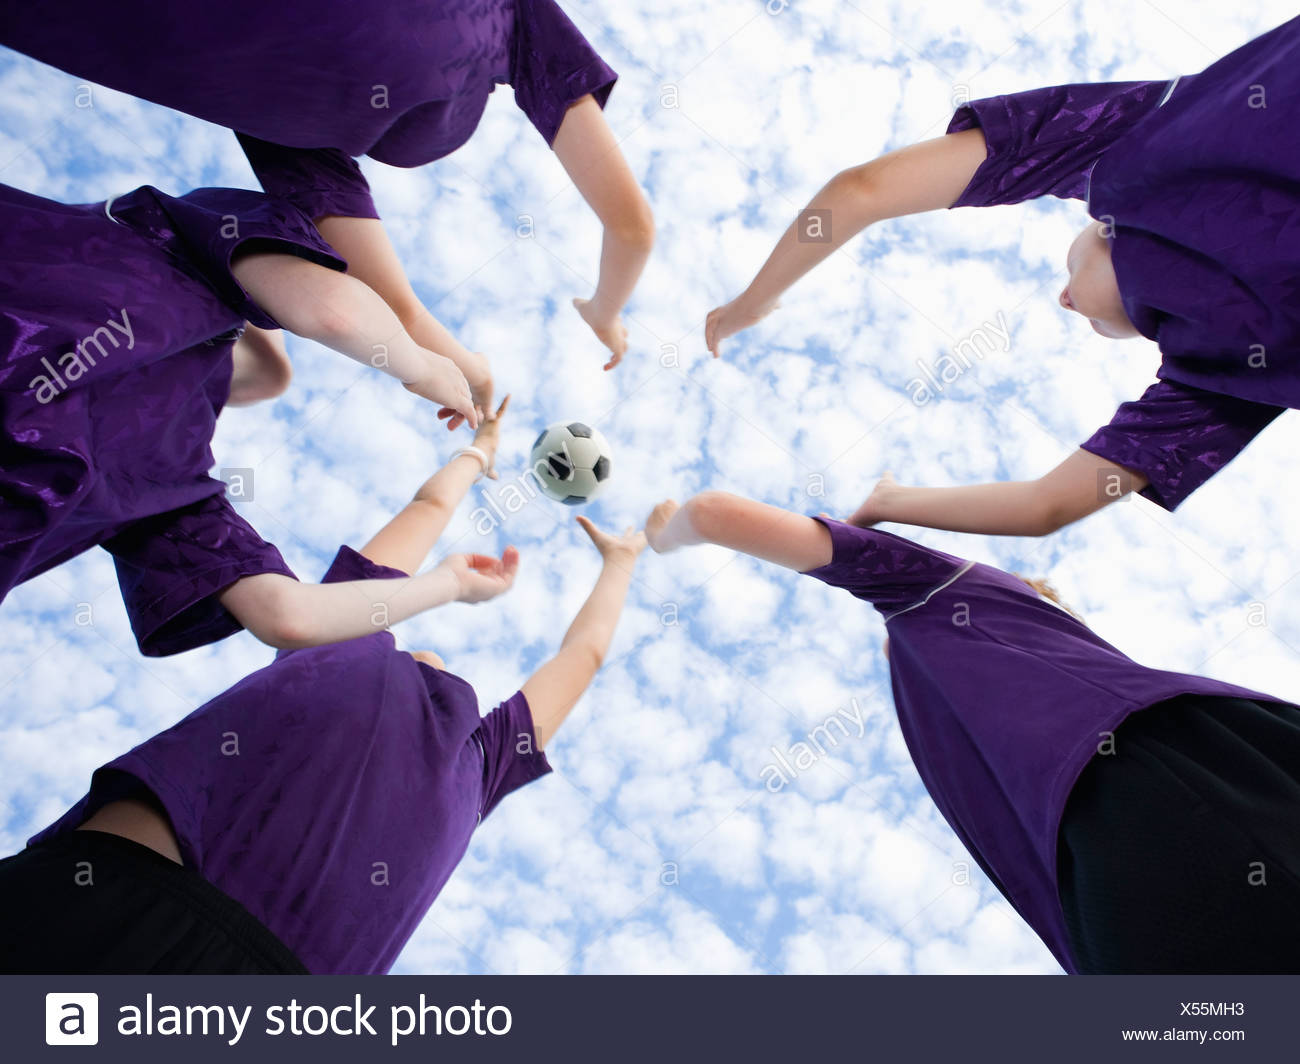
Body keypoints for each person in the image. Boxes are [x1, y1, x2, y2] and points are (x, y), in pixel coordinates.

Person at [0, 404, 645, 974]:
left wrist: (620, 565)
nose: (435, 659)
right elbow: (429, 511)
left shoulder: (483, 761)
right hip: (121, 884)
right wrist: (476, 455)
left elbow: (583, 654)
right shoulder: (348, 629)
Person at [643, 491, 1300, 973]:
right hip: (1159, 819)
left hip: (1140, 816)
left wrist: (660, 537)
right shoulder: (953, 673)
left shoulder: (926, 592)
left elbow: (713, 513)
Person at [705, 16, 1300, 536]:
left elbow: (863, 191)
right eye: (1095, 323)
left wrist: (752, 301)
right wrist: (891, 504)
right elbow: (1045, 505)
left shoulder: (1129, 144)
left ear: (1098, 228)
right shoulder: (1218, 380)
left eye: (1066, 276)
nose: (1065, 301)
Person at [2, 0, 656, 393]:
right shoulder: (508, 18)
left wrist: (468, 372)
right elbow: (630, 226)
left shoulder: (287, 124)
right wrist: (603, 311)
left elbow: (392, 307)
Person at [0, 179, 494, 656]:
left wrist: (448, 581)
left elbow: (287, 617)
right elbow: (331, 312)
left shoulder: (177, 488)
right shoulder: (171, 236)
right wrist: (425, 363)